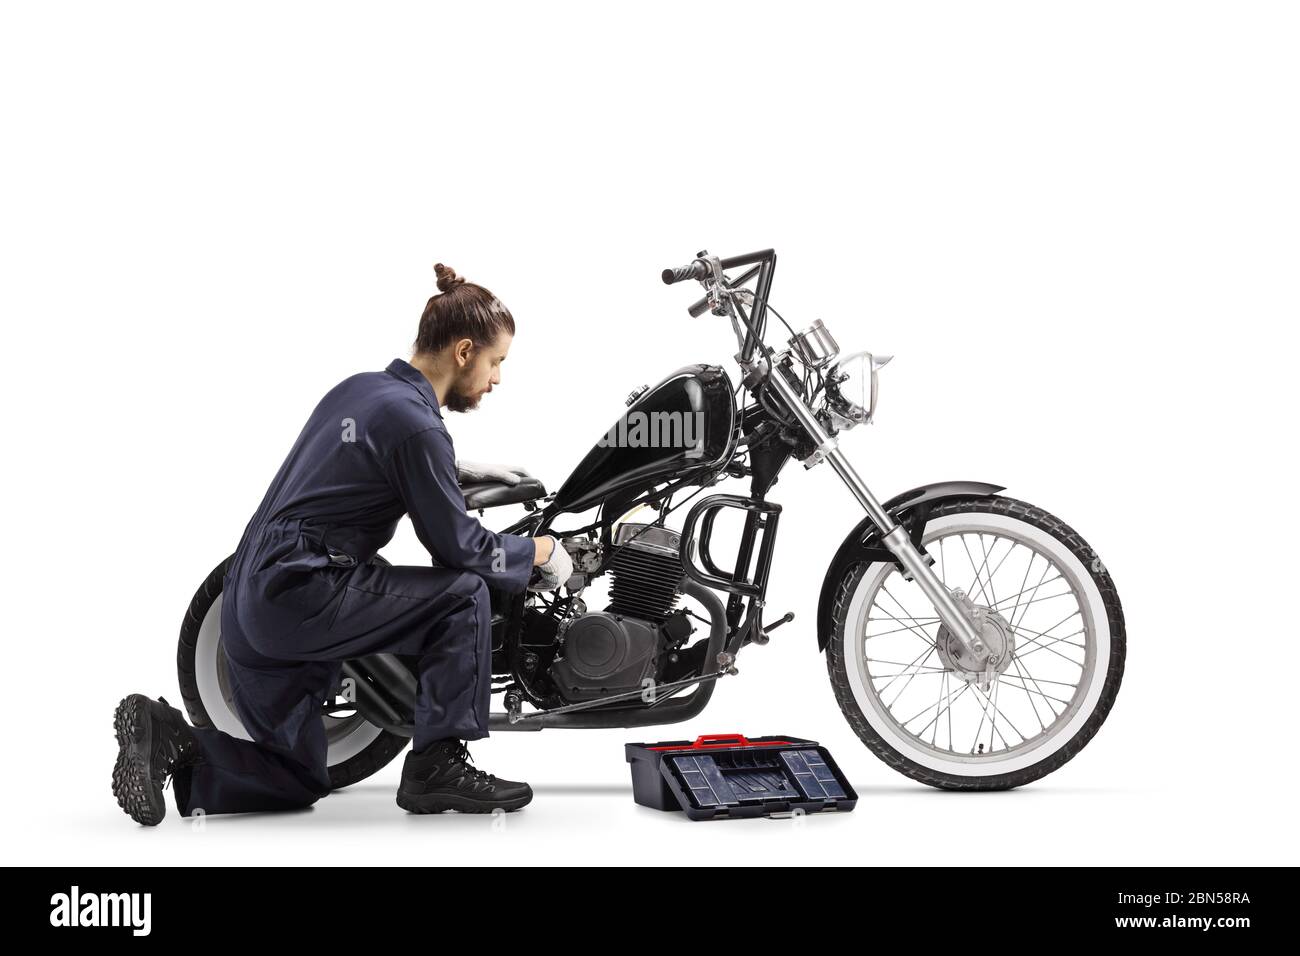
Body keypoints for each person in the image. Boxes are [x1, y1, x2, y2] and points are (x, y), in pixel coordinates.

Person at [112, 263, 573, 825]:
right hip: (304, 588)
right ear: (463, 351)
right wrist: (540, 553)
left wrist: (451, 469)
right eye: (496, 361)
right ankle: (436, 766)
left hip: (249, 597)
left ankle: (173, 740)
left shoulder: (361, 389)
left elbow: (358, 465)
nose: (496, 378)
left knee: (300, 777)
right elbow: (461, 549)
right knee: (462, 596)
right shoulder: (418, 426)